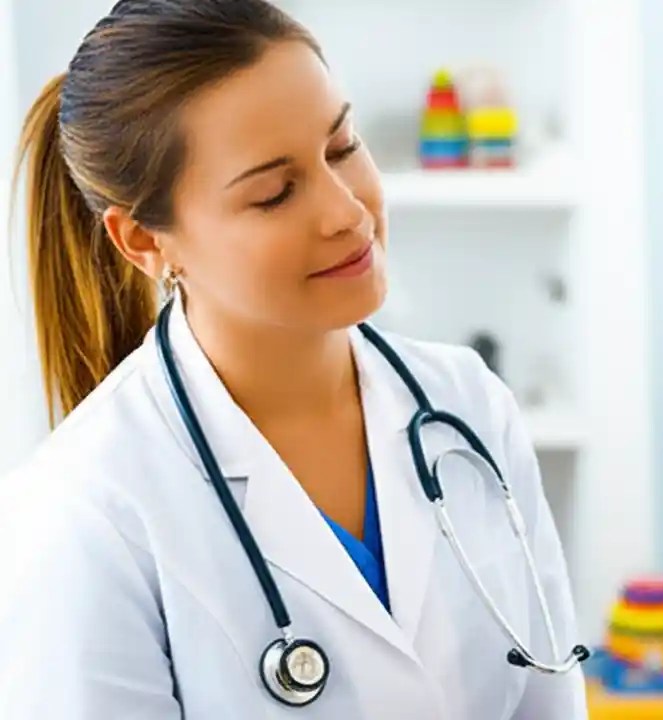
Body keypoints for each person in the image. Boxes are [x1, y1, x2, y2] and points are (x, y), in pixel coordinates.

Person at [0, 2, 587, 718]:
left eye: (343, 147)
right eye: (274, 194)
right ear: (144, 242)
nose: (347, 211)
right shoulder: (86, 509)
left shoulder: (467, 405)